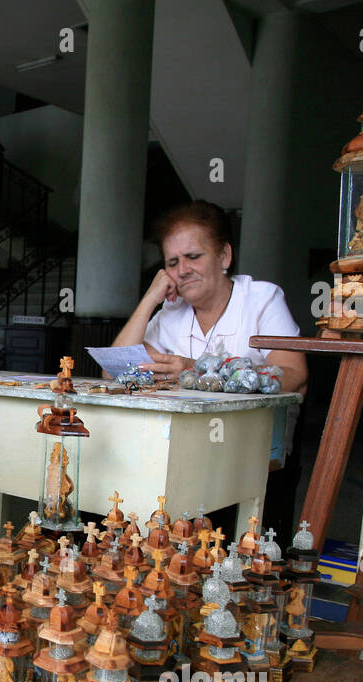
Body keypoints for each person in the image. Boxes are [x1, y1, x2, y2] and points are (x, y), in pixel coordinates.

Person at [112, 200, 309, 539]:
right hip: (180, 460)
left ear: (224, 257)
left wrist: (197, 371)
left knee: (241, 564)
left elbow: (293, 373)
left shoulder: (261, 299)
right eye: (172, 262)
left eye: (194, 256)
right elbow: (114, 368)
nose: (182, 269)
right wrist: (151, 298)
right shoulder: (170, 314)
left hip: (253, 461)